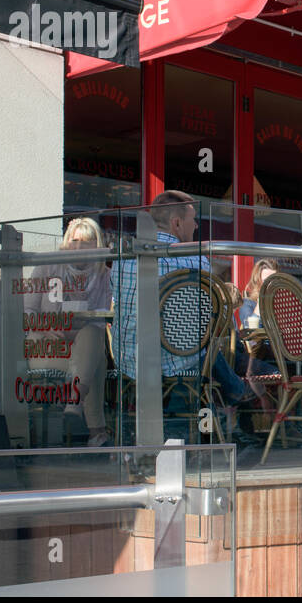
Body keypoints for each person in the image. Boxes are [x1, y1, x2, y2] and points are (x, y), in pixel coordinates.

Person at [109, 191, 256, 445]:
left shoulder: (124, 259)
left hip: (130, 360)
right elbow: (215, 320)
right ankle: (233, 395)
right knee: (204, 349)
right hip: (180, 361)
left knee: (201, 352)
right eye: (193, 219)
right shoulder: (196, 260)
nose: (197, 225)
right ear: (177, 223)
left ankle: (229, 395)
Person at [24, 217, 113, 446]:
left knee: (93, 336)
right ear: (66, 242)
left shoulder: (103, 274)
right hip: (49, 348)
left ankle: (76, 402)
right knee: (96, 361)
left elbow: (103, 318)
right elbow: (27, 311)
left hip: (83, 346)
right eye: (75, 241)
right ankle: (96, 431)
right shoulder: (48, 266)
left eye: (87, 242)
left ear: (97, 245)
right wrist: (45, 326)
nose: (79, 247)